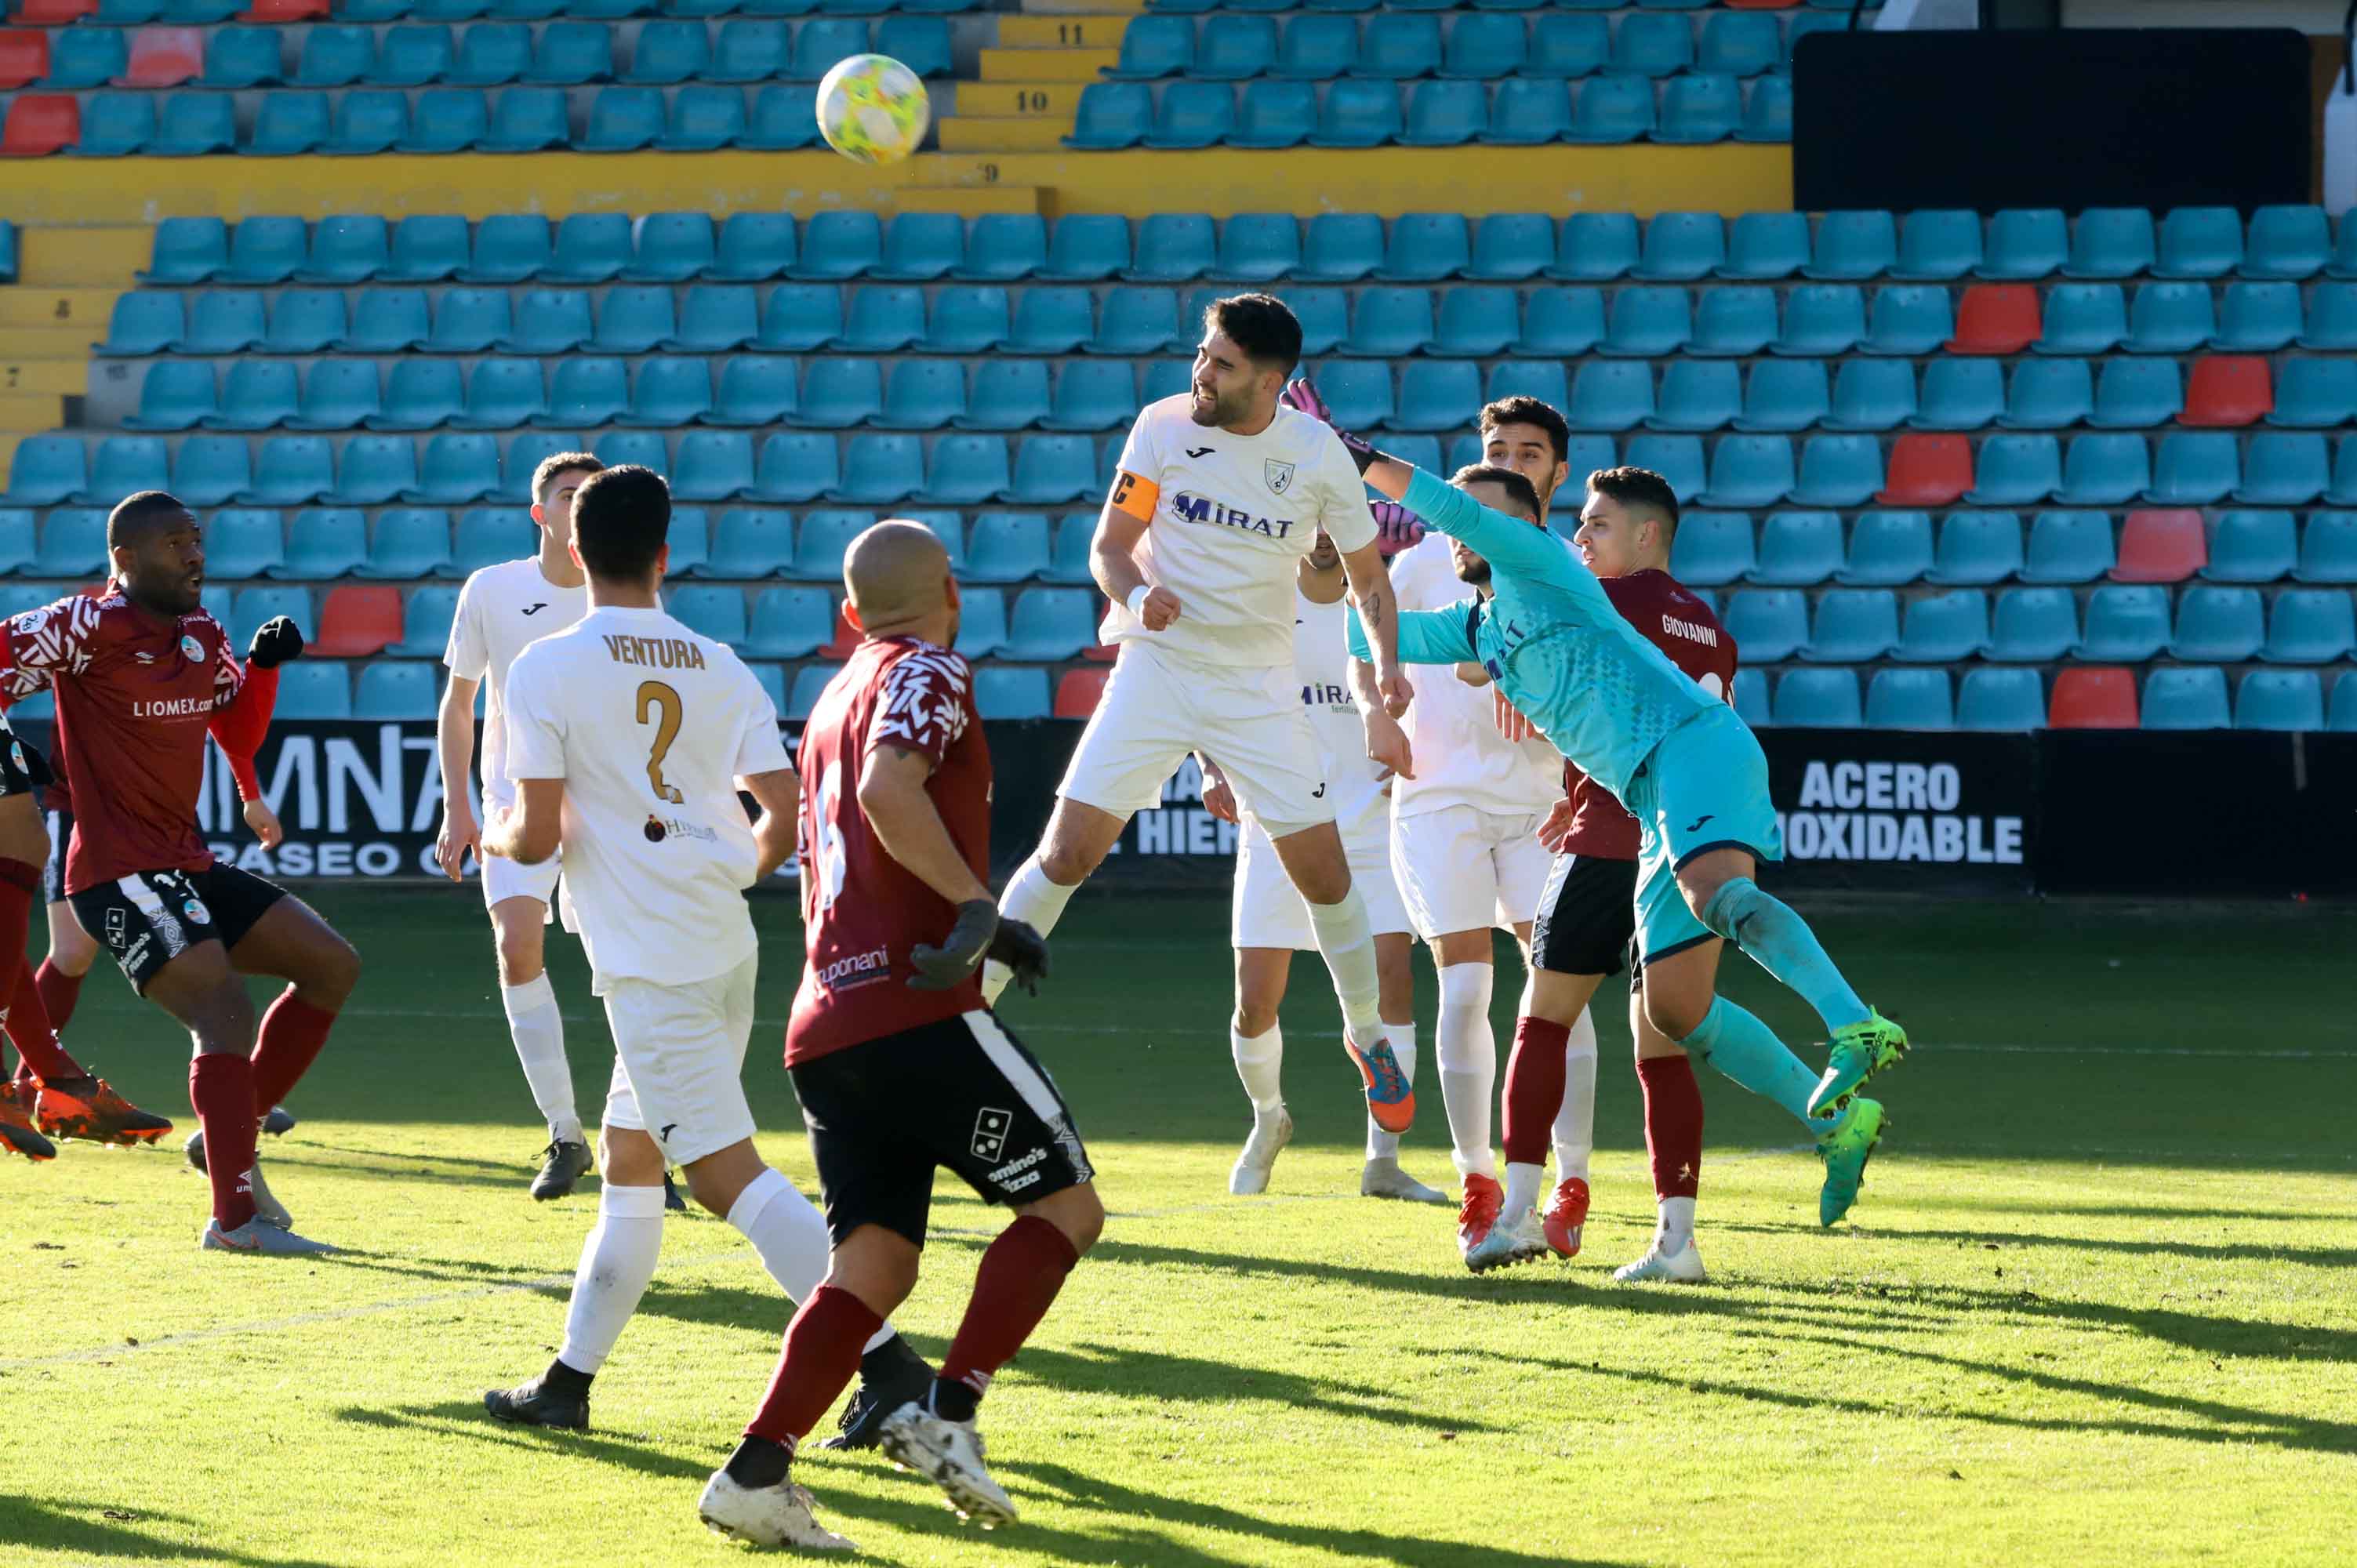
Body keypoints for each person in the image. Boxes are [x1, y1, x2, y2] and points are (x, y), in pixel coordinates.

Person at [476, 466, 931, 1449]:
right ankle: (567, 1381)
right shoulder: (716, 660)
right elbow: (785, 808)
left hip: (651, 962)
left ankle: (889, 1361)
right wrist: (726, 865)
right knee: (632, 1162)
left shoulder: (546, 666)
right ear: (664, 554)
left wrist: (499, 830)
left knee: (727, 1175)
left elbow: (539, 833)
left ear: (574, 551)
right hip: (719, 943)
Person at [1333, 453, 1903, 1232]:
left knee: (1712, 902)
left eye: (1475, 515)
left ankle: (1854, 1023)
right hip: (1647, 793)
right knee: (1675, 1010)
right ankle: (1837, 1125)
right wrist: (1357, 568)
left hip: (1687, 749)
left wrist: (1360, 461)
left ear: (1520, 527)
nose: (1454, 532)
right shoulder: (1485, 624)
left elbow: (1454, 513)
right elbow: (1371, 635)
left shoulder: (1542, 563)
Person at [702, 521, 1089, 1551]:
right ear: (950, 595)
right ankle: (949, 1418)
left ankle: (754, 1473)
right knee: (1066, 1207)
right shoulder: (928, 667)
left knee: (872, 1267)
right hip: (915, 1009)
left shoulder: (831, 694)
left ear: (847, 614)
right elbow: (886, 788)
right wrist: (981, 910)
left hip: (825, 1027)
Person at [980, 295, 1418, 1141]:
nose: (1201, 373)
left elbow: (1368, 580)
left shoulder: (1318, 454)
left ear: (1271, 380)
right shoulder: (1161, 426)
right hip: (1158, 665)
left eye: (1220, 363)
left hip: (1258, 683)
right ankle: (967, 1012)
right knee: (1066, 851)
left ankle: (1368, 1037)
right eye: (1202, 354)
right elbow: (1107, 548)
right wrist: (1141, 594)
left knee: (1326, 877)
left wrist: (1390, 667)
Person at [0, 491, 361, 1253]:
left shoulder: (201, 631)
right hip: (115, 871)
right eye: (173, 543)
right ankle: (234, 1221)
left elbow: (231, 723)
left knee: (330, 963)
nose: (195, 554)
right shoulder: (84, 623)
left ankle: (229, 1135)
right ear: (124, 558)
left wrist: (261, 668)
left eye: (195, 539)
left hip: (185, 858)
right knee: (223, 1013)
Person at [1302, 387, 1573, 1264]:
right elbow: (1359, 621)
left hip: (1538, 804)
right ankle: (1477, 1179)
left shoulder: (1570, 566)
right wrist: (1376, 712)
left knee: (1556, 990)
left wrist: (1570, 748)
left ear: (1555, 475)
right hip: (1439, 796)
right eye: (1497, 445)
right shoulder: (1425, 558)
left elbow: (1597, 681)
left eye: (1529, 452)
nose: (1510, 460)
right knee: (1465, 986)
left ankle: (1569, 1178)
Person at [1479, 467, 1736, 1279]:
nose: (1580, 540)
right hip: (1685, 850)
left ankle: (1517, 1213)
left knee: (1541, 1019)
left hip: (1608, 844)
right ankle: (1678, 1241)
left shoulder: (1608, 603)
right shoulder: (1713, 630)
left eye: (1595, 526)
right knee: (1661, 1047)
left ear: (1647, 535)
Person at [1202, 528, 1445, 1205]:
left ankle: (1384, 1162)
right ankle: (1267, 1121)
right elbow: (1204, 691)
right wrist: (1211, 765)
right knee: (1255, 1004)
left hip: (1368, 819)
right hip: (1277, 820)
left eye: (1331, 525)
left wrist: (1414, 760)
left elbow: (1425, 692)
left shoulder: (1382, 603)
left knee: (1391, 983)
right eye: (1307, 525)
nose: (1320, 539)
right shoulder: (1256, 598)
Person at [436, 452, 641, 1203]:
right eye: (567, 493)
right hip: (515, 802)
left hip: (608, 806)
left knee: (626, 968)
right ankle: (565, 1133)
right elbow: (460, 701)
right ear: (541, 513)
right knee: (517, 948)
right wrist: (459, 804)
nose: (579, 501)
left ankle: (647, 1138)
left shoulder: (622, 593)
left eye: (591, 493)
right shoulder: (492, 589)